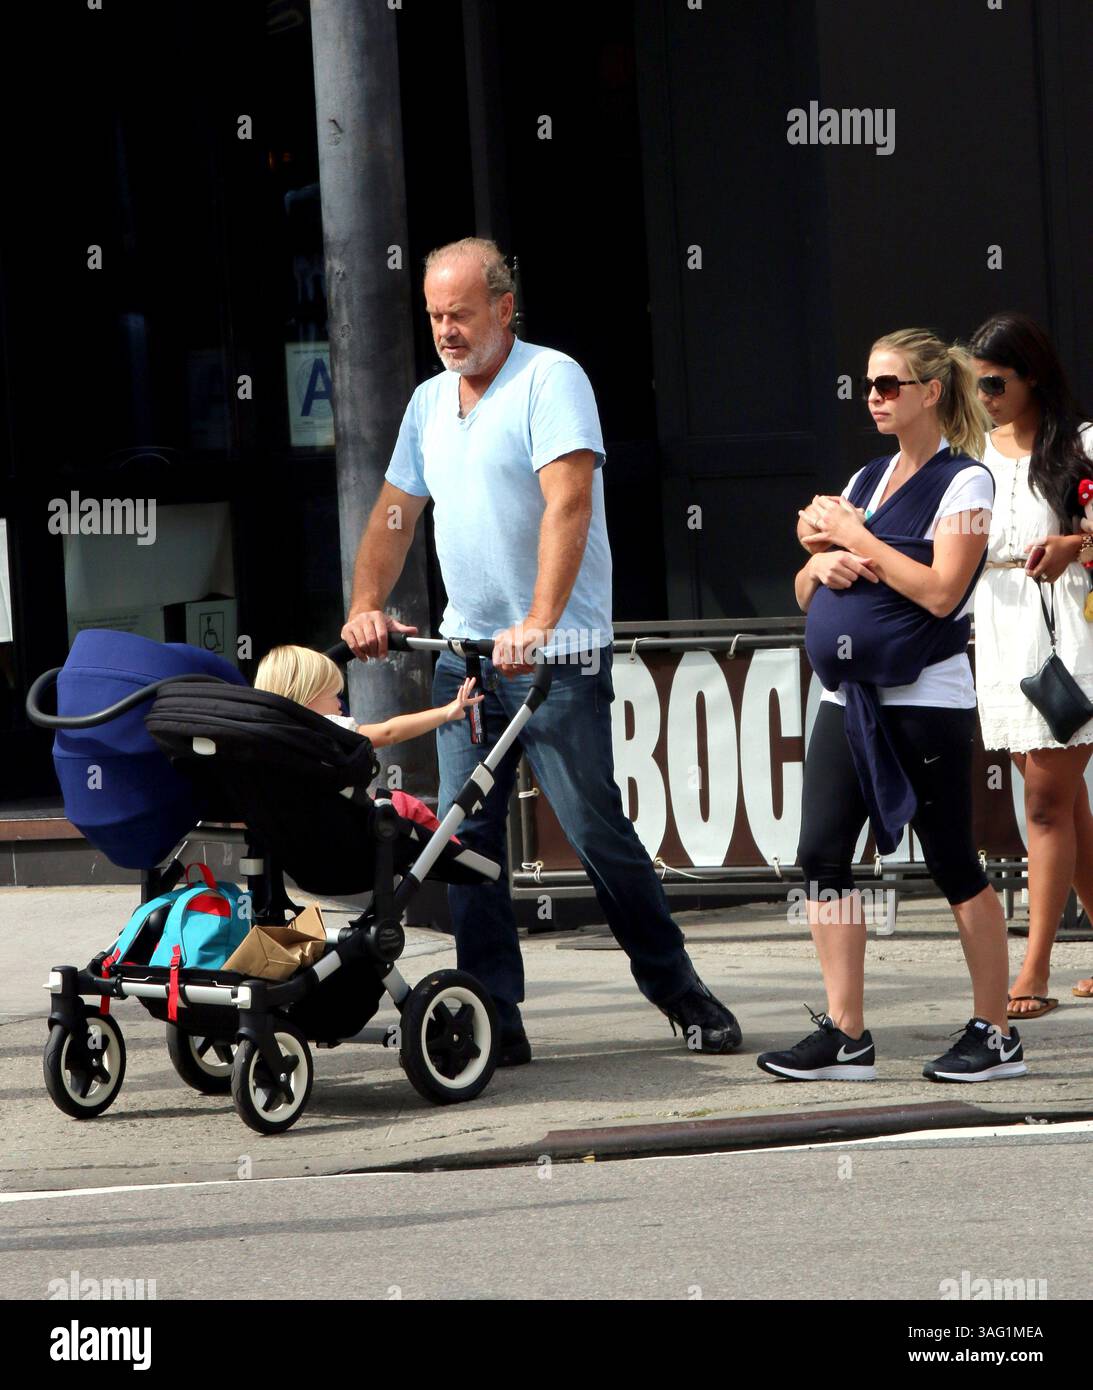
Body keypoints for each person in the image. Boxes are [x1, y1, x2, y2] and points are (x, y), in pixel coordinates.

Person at [340, 235, 741, 1065]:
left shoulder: (550, 380)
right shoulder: (428, 402)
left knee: (595, 831)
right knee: (467, 844)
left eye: (459, 314)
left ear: (502, 306)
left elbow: (569, 503)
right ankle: (497, 1016)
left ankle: (679, 993)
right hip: (468, 660)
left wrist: (540, 619)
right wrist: (367, 604)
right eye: (434, 316)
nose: (446, 331)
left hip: (555, 659)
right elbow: (393, 512)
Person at [758, 327, 1027, 1084]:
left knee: (949, 860)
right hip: (848, 697)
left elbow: (943, 592)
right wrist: (825, 563)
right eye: (868, 385)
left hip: (926, 698)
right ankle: (845, 1032)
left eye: (887, 385)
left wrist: (857, 541)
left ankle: (995, 1030)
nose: (871, 398)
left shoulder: (966, 482)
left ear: (929, 393)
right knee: (819, 854)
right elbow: (804, 587)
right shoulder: (864, 480)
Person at [967, 311, 1093, 1017]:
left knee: (1044, 806)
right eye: (974, 383)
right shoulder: (969, 455)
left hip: (1071, 633)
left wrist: (1074, 546)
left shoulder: (1078, 445)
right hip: (1001, 628)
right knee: (1067, 805)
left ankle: (1032, 971)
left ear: (1031, 377)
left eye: (994, 382)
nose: (982, 395)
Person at [254, 643, 481, 833]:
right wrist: (445, 713)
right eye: (334, 695)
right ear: (308, 697)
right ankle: (456, 856)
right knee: (405, 804)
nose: (339, 705)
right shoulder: (328, 731)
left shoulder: (265, 737)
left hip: (295, 833)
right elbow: (390, 732)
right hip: (344, 827)